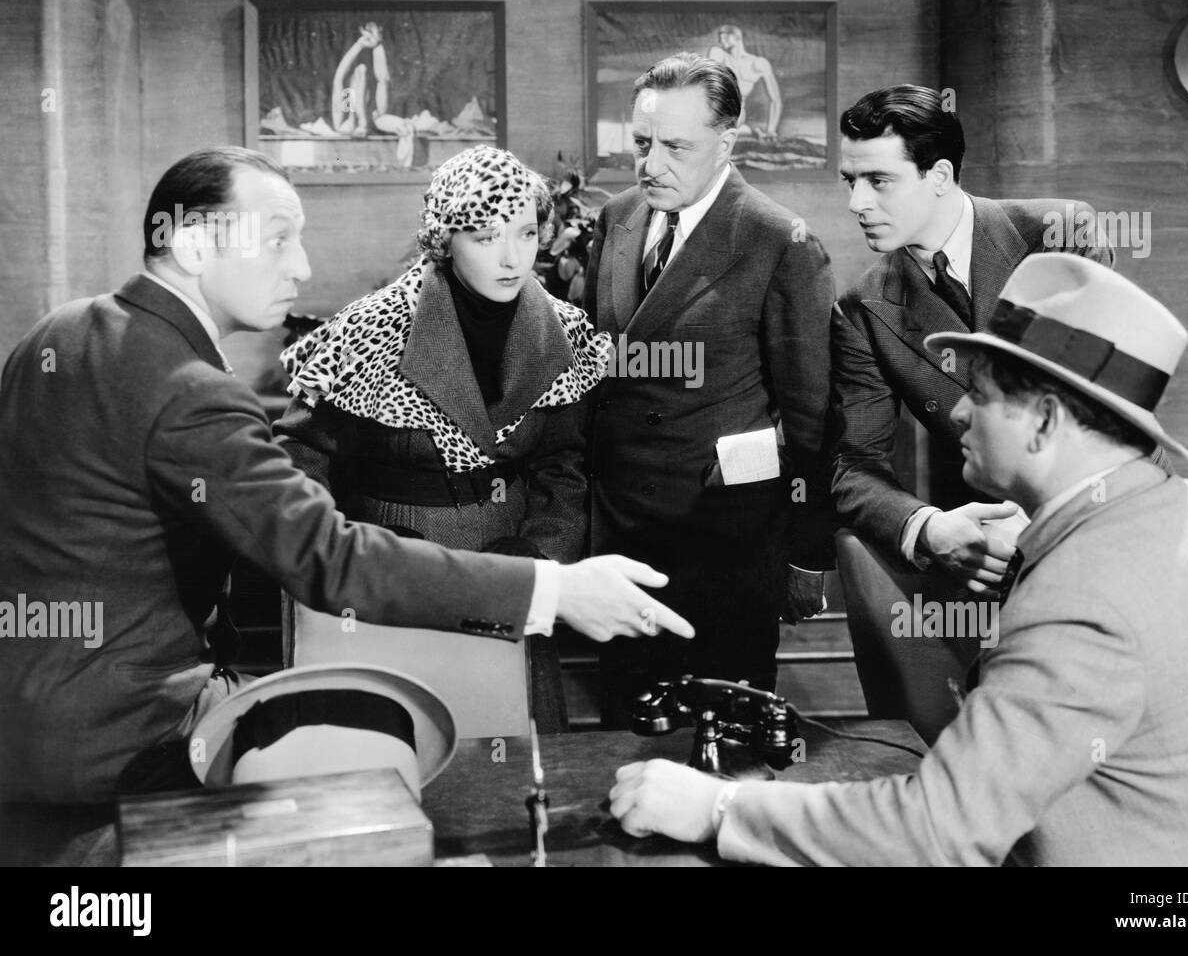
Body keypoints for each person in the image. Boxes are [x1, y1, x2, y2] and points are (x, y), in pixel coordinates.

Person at [0, 146, 690, 805]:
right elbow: (325, 552)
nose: (302, 268)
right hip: (124, 737)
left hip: (28, 721)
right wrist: (552, 588)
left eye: (524, 233)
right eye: (277, 240)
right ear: (192, 247)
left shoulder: (53, 334)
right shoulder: (197, 394)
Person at [609, 253, 1188, 866]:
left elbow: (940, 833)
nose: (961, 414)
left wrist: (716, 808)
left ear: (1048, 422)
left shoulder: (1084, 596)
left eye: (986, 394)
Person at [275, 145, 608, 730]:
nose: (512, 258)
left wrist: (539, 560)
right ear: (443, 239)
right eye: (485, 237)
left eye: (526, 234)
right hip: (392, 578)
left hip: (510, 570)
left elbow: (566, 465)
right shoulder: (370, 328)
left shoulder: (566, 334)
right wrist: (347, 562)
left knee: (511, 760)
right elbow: (299, 461)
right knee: (405, 753)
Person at [829, 84, 1112, 739]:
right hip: (983, 562)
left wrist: (1032, 516)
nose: (856, 203)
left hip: (1100, 530)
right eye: (849, 181)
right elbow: (853, 466)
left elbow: (1104, 400)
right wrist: (932, 530)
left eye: (878, 180)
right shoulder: (863, 307)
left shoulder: (1058, 233)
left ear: (940, 177)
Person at [583, 53, 836, 725]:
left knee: (727, 748)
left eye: (675, 147)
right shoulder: (615, 220)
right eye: (641, 143)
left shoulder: (778, 240)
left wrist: (807, 554)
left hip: (724, 545)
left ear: (727, 142)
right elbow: (588, 373)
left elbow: (812, 418)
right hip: (622, 538)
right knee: (621, 740)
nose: (651, 163)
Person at [706, 25, 782, 138]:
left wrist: (771, 130)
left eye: (726, 37)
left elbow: (775, 100)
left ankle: (746, 132)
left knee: (740, 129)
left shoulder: (758, 64)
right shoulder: (719, 55)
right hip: (715, 114)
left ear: (737, 38)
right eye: (721, 38)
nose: (722, 41)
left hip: (736, 118)